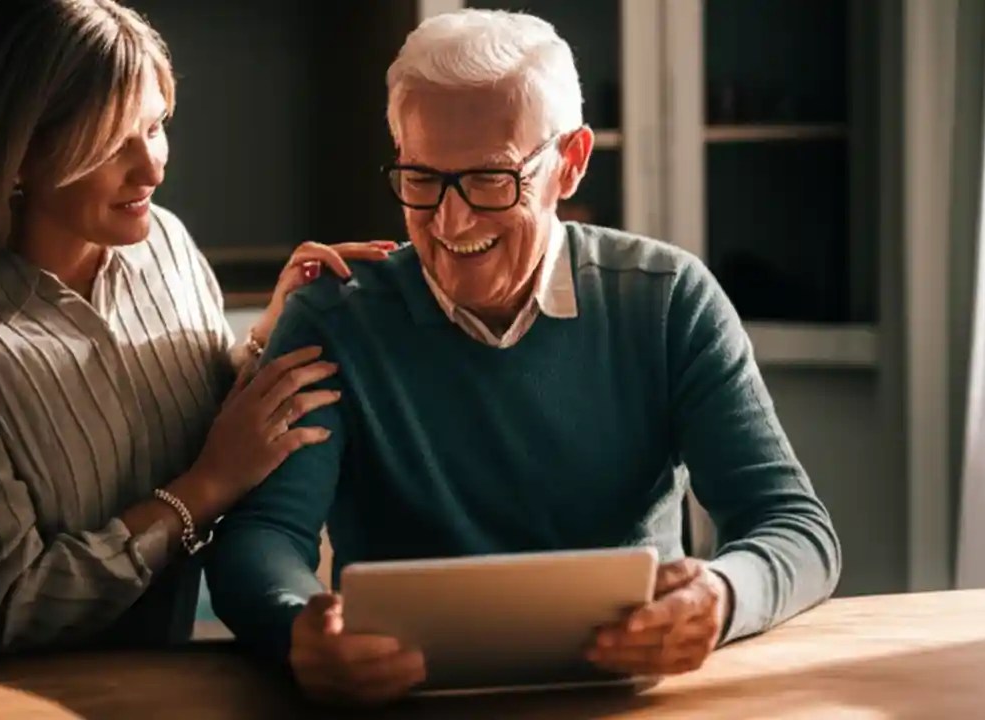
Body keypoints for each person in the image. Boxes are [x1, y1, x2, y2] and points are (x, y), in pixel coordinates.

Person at [205, 8, 842, 706]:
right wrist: (298, 627)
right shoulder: (332, 318)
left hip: (625, 698)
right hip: (407, 702)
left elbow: (794, 527)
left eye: (489, 180)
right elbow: (262, 535)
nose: (450, 224)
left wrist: (722, 595)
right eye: (421, 179)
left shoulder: (667, 301)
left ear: (568, 164)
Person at [0, 0, 394, 671]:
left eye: (156, 127)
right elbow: (9, 607)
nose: (153, 169)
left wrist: (267, 337)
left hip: (140, 670)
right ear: (17, 152)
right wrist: (204, 488)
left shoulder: (162, 242)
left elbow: (195, 419)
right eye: (112, 142)